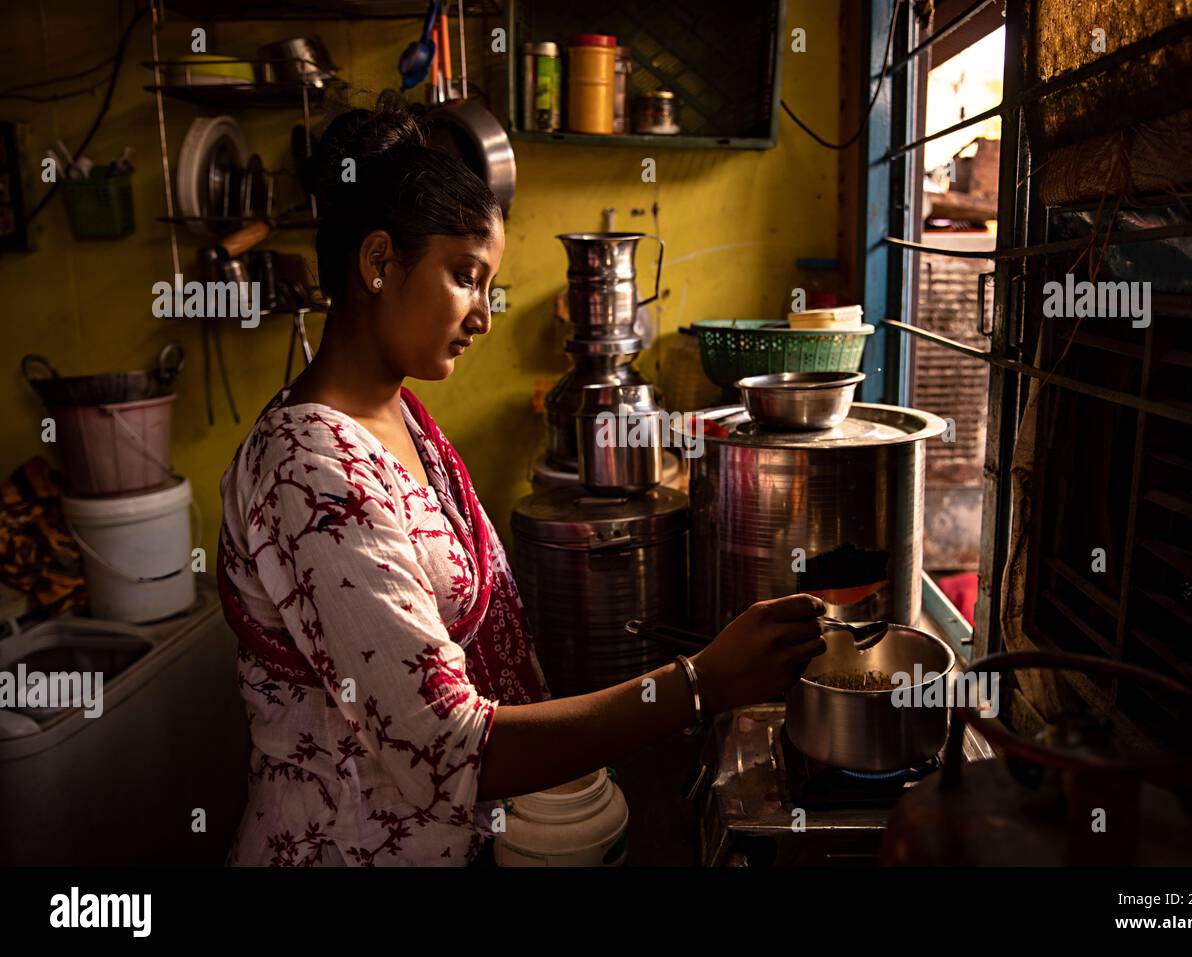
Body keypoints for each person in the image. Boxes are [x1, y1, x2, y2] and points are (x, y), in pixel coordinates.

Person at [217, 91, 827, 866]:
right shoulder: (309, 471)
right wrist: (702, 681)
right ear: (378, 262)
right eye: (465, 275)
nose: (484, 314)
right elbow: (452, 745)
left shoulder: (401, 421)